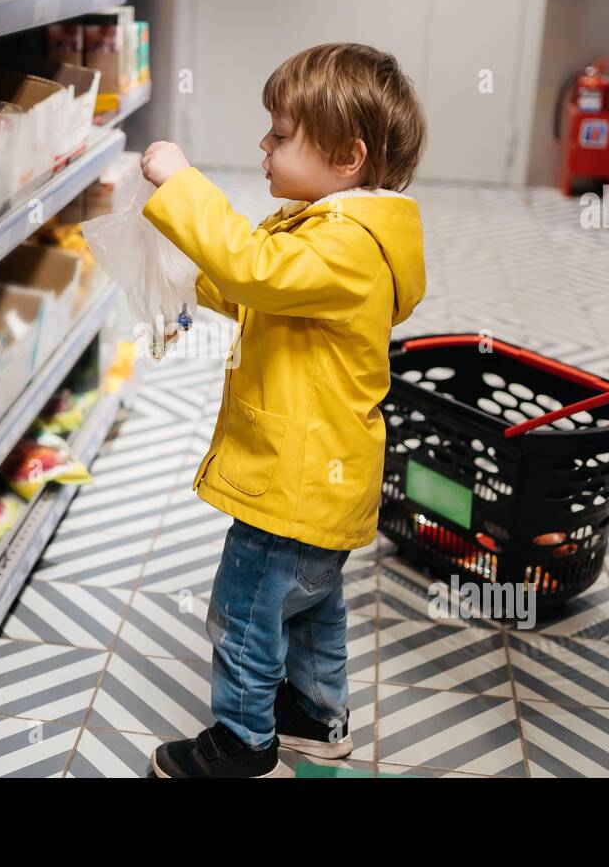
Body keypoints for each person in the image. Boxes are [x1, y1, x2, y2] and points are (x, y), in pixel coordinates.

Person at [137, 42, 427, 778]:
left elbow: (257, 271)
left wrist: (182, 187)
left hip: (291, 482)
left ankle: (242, 744)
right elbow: (257, 289)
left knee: (244, 609)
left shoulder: (348, 246)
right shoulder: (332, 231)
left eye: (280, 134)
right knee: (311, 605)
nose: (263, 146)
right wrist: (183, 279)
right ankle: (316, 716)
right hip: (322, 481)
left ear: (347, 156)